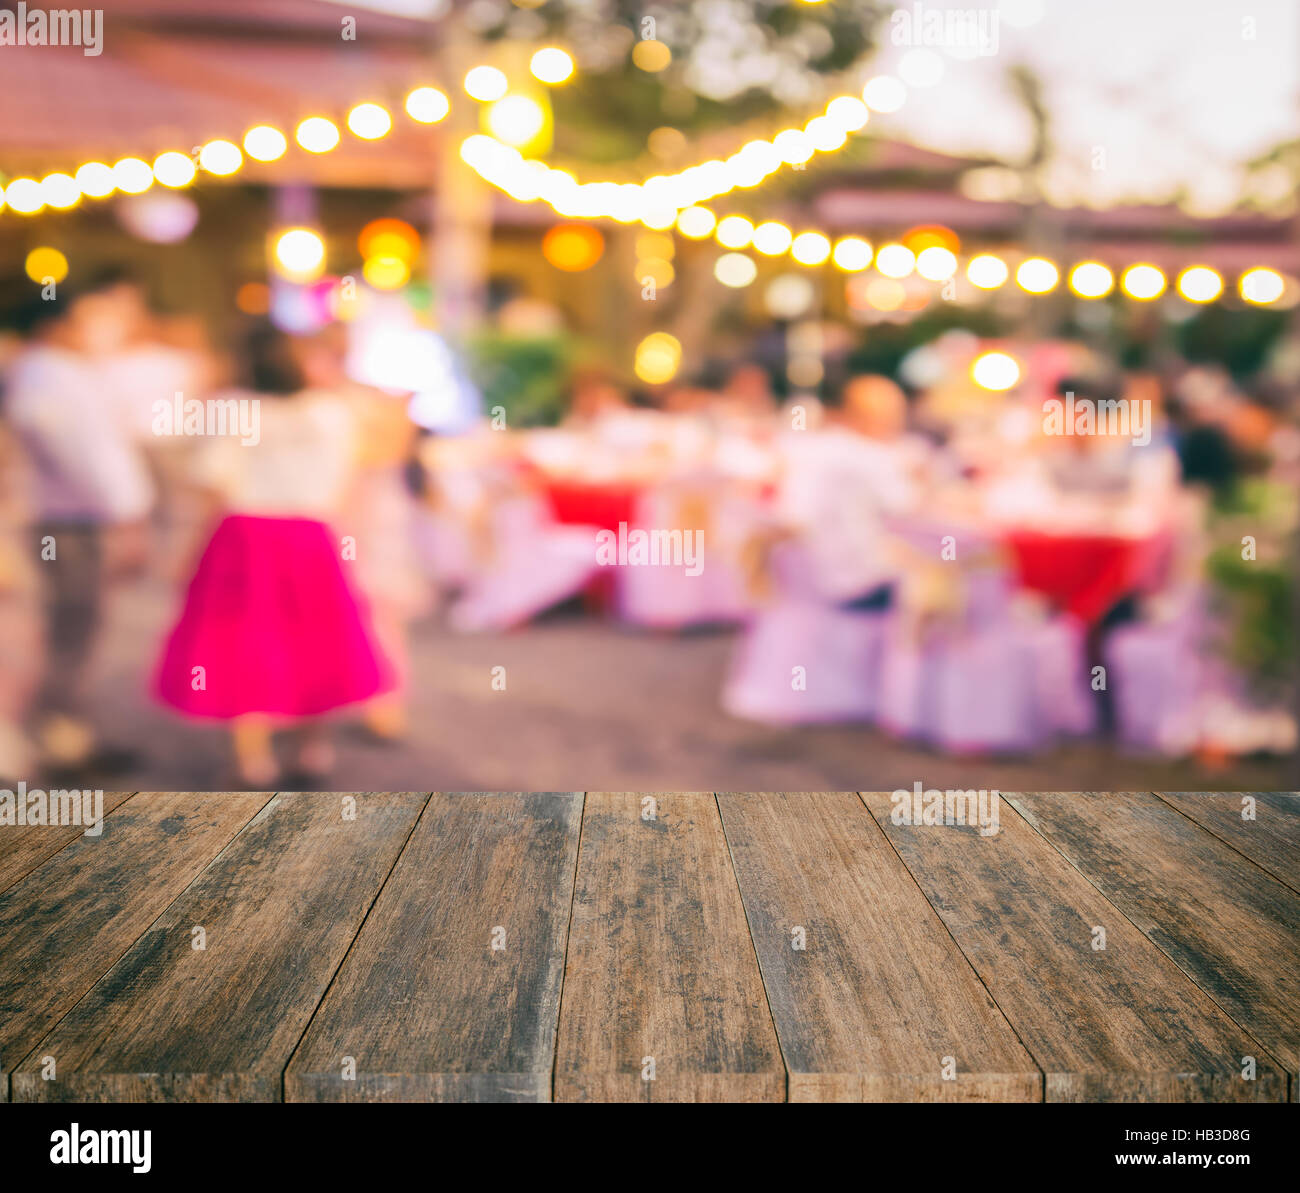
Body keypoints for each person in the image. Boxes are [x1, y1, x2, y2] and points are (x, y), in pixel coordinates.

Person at [152, 321, 394, 786]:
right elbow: (349, 475)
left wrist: (186, 548)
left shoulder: (234, 409)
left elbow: (212, 484)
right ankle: (311, 748)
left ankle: (252, 757)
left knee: (240, 640)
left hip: (245, 536)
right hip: (310, 535)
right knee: (315, 637)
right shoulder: (330, 412)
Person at [4, 280, 155, 776]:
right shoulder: (49, 374)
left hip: (68, 519)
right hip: (63, 522)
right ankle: (53, 738)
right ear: (55, 324)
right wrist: (128, 511)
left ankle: (59, 734)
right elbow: (85, 455)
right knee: (67, 626)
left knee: (69, 627)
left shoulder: (54, 371)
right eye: (85, 319)